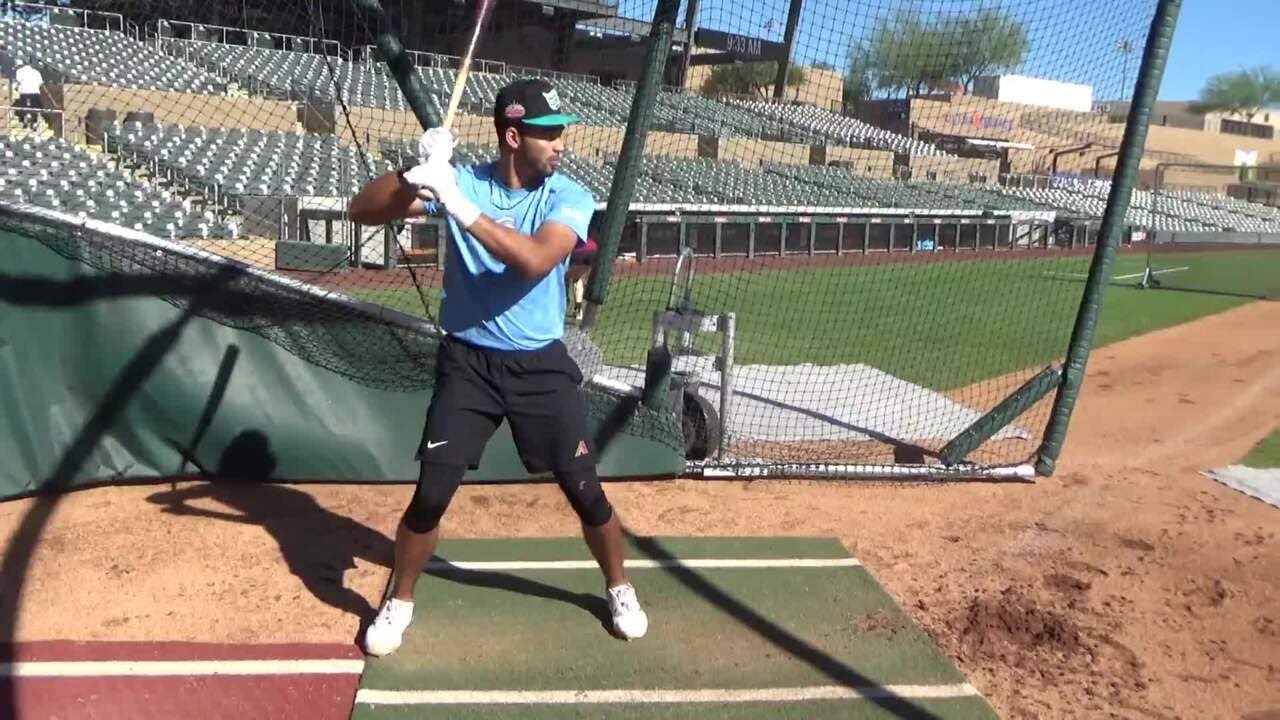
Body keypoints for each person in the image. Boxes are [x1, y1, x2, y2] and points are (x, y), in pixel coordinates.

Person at [348, 78, 648, 657]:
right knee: (432, 493)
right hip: (468, 365)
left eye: (561, 132)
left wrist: (456, 204)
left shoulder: (567, 196)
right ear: (514, 136)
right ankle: (400, 600)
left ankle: (620, 586)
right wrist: (416, 174)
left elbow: (535, 261)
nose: (561, 143)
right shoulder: (460, 180)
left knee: (585, 491)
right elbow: (361, 211)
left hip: (540, 366)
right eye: (548, 134)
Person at [13, 58, 43, 132]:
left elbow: (18, 81)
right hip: (35, 92)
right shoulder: (36, 72)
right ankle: (34, 123)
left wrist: (16, 88)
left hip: (24, 92)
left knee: (24, 106)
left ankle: (25, 119)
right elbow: (40, 83)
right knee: (34, 108)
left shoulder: (19, 71)